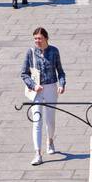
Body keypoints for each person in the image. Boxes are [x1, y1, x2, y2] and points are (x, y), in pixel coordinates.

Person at [20, 26, 66, 166]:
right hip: (37, 90)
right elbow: (24, 73)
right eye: (35, 39)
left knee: (50, 120)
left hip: (51, 87)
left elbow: (60, 71)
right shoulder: (31, 52)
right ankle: (37, 153)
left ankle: (50, 140)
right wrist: (33, 86)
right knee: (37, 121)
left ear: (46, 38)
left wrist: (61, 84)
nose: (37, 41)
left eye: (39, 38)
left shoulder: (54, 51)